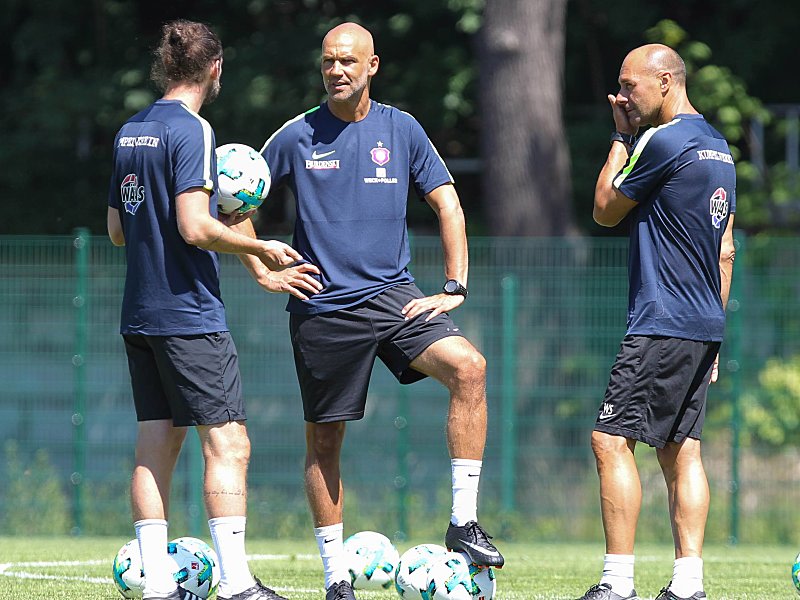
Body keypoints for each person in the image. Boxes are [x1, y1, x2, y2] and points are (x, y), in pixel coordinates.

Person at [233, 21, 504, 600]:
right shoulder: (296, 134)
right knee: (325, 441)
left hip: (395, 298)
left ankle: (463, 521)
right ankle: (337, 578)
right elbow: (236, 197)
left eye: (348, 61)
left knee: (470, 368)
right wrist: (262, 267)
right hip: (322, 305)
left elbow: (448, 205)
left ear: (372, 66)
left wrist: (455, 285)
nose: (336, 70)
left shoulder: (400, 128)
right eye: (329, 61)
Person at [107, 19, 321, 600]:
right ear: (215, 69)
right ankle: (236, 584)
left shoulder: (131, 130)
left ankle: (156, 586)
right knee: (229, 444)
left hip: (140, 313)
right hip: (187, 313)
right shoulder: (193, 131)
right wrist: (261, 247)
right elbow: (195, 227)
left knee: (156, 444)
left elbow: (117, 231)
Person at [575, 44, 736, 600]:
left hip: (661, 319)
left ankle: (617, 584)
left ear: (665, 81)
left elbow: (603, 208)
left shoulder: (661, 140)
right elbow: (727, 249)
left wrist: (620, 138)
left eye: (629, 86)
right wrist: (715, 332)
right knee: (680, 450)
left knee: (609, 439)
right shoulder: (718, 147)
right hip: (702, 323)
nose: (620, 97)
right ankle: (688, 585)